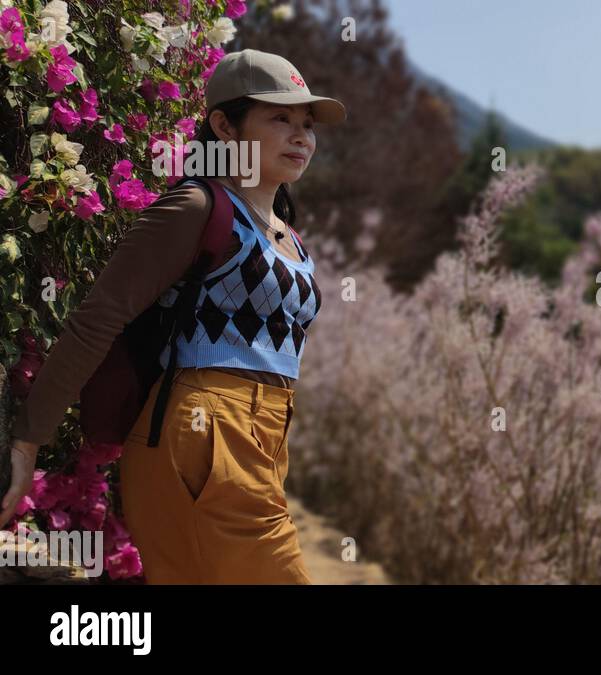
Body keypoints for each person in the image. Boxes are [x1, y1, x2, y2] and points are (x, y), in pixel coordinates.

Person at [2, 49, 346, 583]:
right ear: (223, 126)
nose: (301, 136)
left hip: (264, 437)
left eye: (307, 124)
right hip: (201, 431)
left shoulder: (290, 237)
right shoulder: (197, 208)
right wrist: (27, 442)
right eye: (280, 118)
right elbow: (97, 320)